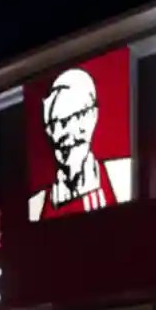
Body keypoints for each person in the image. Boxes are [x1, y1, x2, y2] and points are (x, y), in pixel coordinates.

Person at [27, 67, 132, 222]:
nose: (65, 133)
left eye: (76, 116)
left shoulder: (123, 177)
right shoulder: (36, 206)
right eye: (55, 124)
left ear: (92, 116)